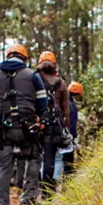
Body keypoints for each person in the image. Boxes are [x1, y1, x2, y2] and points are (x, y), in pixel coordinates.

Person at [0, 44, 47, 205]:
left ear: (7, 56)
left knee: (2, 168)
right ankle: (29, 197)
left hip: (1, 129)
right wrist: (34, 116)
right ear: (24, 58)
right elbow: (42, 103)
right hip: (27, 129)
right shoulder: (33, 76)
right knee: (34, 158)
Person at [35, 51, 69, 196]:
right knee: (51, 157)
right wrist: (65, 128)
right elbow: (66, 110)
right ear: (54, 65)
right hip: (55, 125)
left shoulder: (35, 80)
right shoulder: (61, 83)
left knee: (36, 157)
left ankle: (35, 190)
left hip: (37, 123)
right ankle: (47, 192)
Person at [56, 81, 82, 178]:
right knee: (67, 162)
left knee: (61, 160)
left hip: (64, 135)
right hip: (68, 136)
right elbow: (70, 123)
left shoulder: (66, 103)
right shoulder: (70, 105)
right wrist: (72, 138)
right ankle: (66, 183)